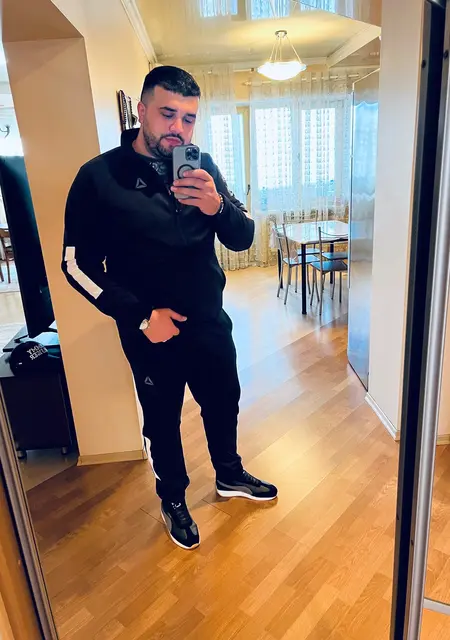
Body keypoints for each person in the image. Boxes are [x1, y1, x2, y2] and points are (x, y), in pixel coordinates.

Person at [62, 66, 277, 551]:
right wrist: (141, 317)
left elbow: (243, 238)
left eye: (189, 118)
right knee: (162, 419)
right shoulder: (98, 178)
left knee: (224, 400)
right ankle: (173, 498)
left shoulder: (204, 167)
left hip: (210, 321)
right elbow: (75, 265)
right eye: (167, 114)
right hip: (151, 332)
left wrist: (216, 206)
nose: (178, 128)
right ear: (141, 112)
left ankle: (229, 474)